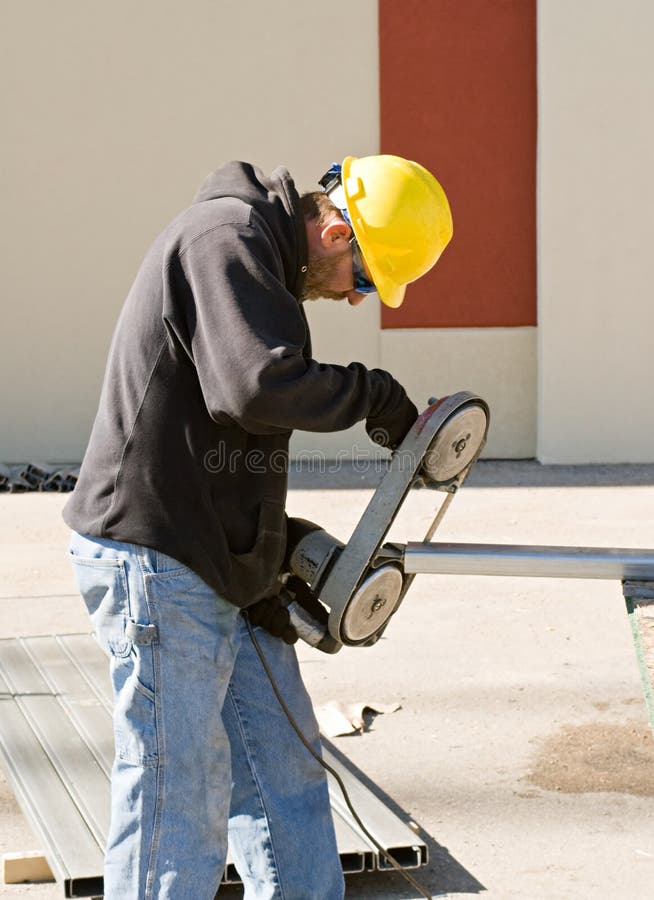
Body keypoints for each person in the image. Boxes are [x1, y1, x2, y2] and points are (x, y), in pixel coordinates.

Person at [63, 154, 453, 899]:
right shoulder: (227, 240)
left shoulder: (265, 273)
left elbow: (233, 447)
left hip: (216, 560)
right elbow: (255, 389)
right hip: (157, 555)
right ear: (337, 231)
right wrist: (373, 396)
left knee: (285, 771)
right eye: (365, 280)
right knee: (180, 796)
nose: (355, 298)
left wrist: (267, 560)